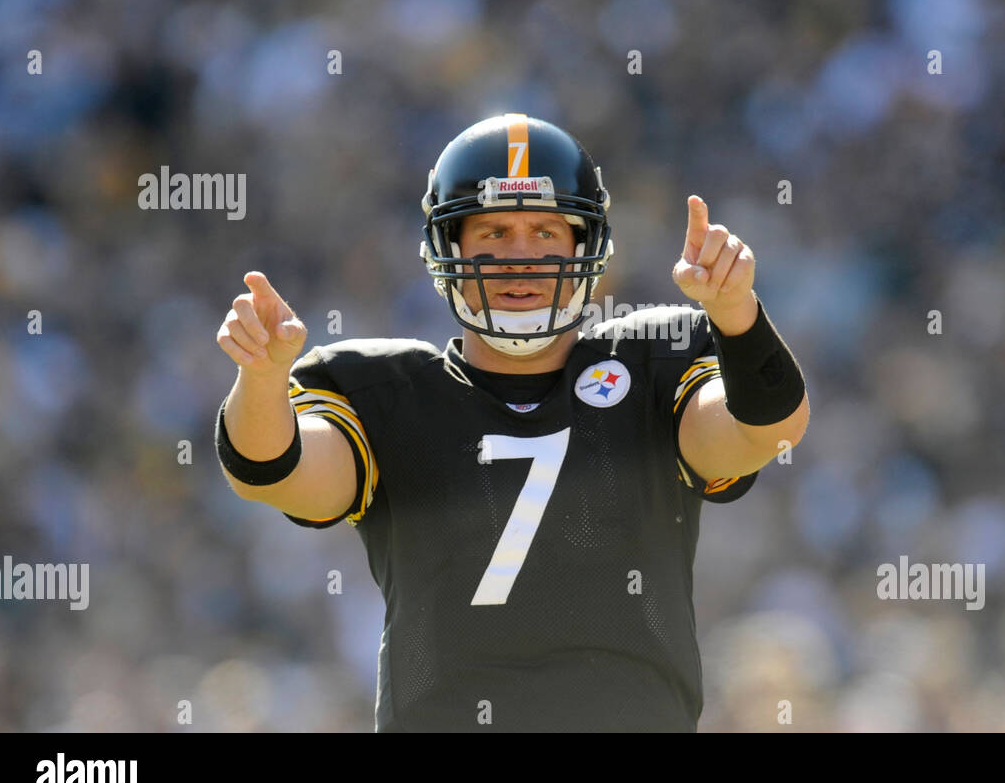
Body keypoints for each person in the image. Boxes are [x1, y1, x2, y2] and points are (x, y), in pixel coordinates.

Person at [213, 113, 810, 732]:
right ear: (450, 248)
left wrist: (737, 316)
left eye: (545, 231)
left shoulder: (656, 362)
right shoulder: (384, 392)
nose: (521, 256)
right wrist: (260, 378)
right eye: (494, 231)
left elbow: (768, 431)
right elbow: (272, 470)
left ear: (585, 246)